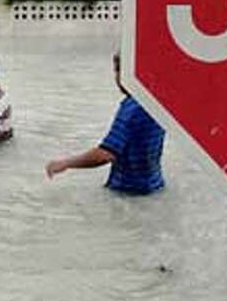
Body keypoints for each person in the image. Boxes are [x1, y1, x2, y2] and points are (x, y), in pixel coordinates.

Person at [45, 51, 165, 194]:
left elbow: (105, 154)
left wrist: (65, 163)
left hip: (129, 193)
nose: (116, 77)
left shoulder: (132, 110)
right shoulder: (156, 102)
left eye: (117, 70)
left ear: (129, 73)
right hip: (155, 185)